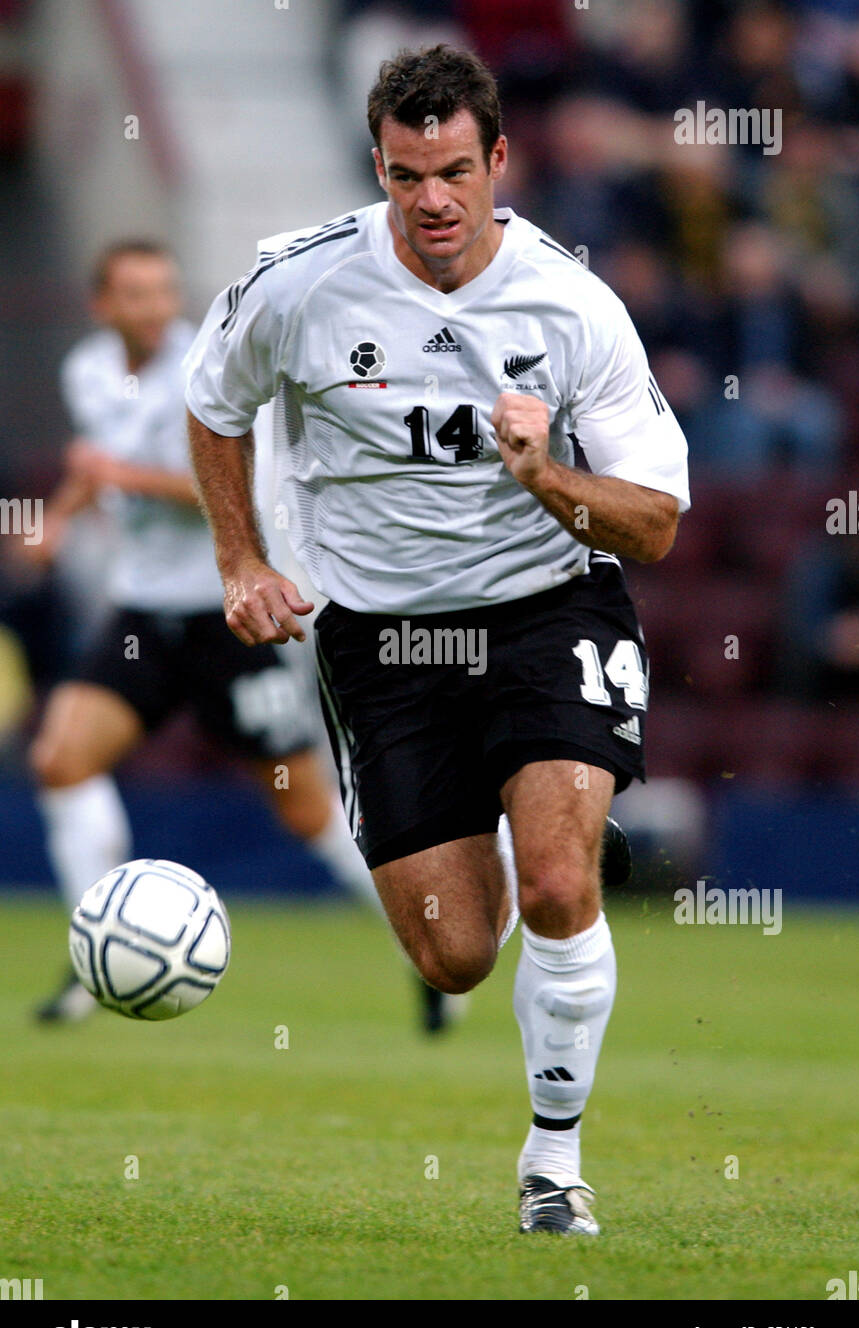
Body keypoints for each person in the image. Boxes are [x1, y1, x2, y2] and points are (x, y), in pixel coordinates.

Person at [185, 45, 687, 1236]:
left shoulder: (572, 305)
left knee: (564, 884)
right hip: (379, 635)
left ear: (498, 161)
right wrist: (240, 559)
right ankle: (517, 829)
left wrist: (543, 471)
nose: (434, 199)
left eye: (455, 169)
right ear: (379, 166)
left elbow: (655, 523)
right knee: (455, 953)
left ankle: (552, 1166)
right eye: (408, 174)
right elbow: (214, 406)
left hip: (541, 606)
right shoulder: (297, 284)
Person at [27, 240, 403, 1024]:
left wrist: (112, 477)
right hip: (142, 615)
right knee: (61, 760)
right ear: (103, 305)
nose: (155, 306)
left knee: (307, 811)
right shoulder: (88, 370)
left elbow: (215, 491)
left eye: (164, 289)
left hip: (228, 615)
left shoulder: (204, 369)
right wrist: (57, 521)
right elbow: (99, 465)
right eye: (135, 293)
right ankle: (95, 952)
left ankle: (426, 949)